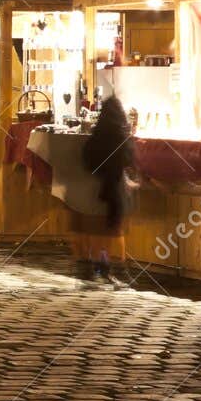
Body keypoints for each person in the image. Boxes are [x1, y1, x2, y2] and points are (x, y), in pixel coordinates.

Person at [82, 96, 135, 284]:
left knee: (98, 229)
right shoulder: (122, 137)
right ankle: (119, 270)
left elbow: (87, 161)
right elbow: (129, 160)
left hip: (96, 188)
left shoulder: (95, 137)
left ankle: (98, 267)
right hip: (116, 188)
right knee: (116, 230)